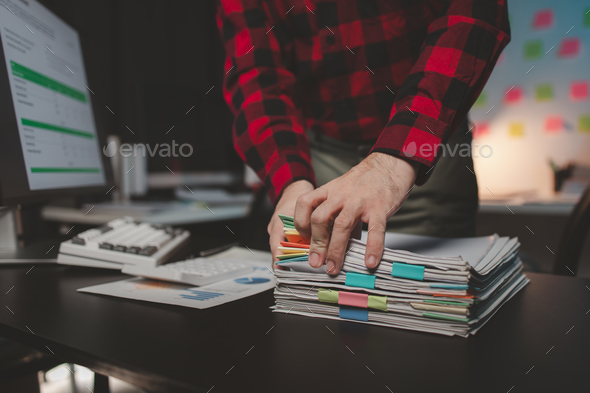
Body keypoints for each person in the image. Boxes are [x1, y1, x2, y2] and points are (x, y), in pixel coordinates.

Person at [217, 0, 510, 274]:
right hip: (318, 156)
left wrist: (394, 159)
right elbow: (255, 74)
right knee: (323, 298)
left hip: (425, 150)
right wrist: (291, 182)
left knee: (428, 299)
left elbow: (470, 16)